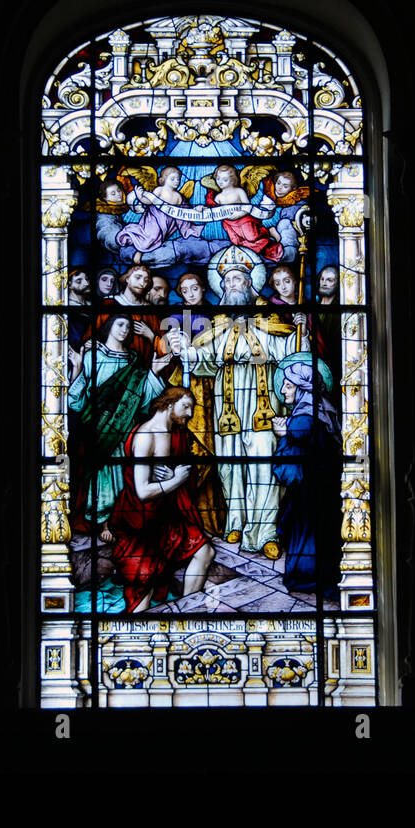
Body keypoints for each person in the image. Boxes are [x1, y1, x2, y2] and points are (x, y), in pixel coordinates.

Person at [170, 248, 307, 554]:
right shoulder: (217, 326)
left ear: (249, 285)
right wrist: (183, 349)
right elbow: (201, 358)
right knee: (230, 466)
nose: (233, 285)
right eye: (228, 280)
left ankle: (267, 534)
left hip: (264, 405)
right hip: (227, 404)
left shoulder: (270, 322)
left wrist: (301, 329)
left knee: (264, 468)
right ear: (222, 288)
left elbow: (291, 351)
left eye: (238, 280)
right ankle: (236, 523)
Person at [109, 387, 216, 612]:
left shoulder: (176, 432)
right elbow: (143, 492)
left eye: (192, 408)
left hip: (167, 516)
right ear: (169, 404)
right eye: (185, 406)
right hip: (140, 524)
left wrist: (174, 477)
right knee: (143, 592)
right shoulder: (146, 436)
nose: (189, 413)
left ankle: (187, 611)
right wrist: (176, 480)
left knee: (205, 551)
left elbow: (183, 472)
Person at [67, 316, 173, 540]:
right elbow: (78, 398)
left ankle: (120, 519)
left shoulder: (133, 359)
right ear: (109, 327)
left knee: (124, 472)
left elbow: (145, 401)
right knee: (104, 473)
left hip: (126, 425)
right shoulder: (93, 357)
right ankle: (104, 522)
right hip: (99, 427)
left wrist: (153, 373)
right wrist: (77, 367)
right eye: (120, 324)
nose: (124, 330)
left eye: (127, 326)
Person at [271, 362, 341, 596]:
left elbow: (293, 459)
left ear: (302, 389)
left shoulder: (302, 420)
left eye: (288, 386)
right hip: (321, 488)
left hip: (309, 491)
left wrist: (282, 435)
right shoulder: (321, 412)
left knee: (305, 532)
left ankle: (306, 579)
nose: (283, 390)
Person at [206, 164, 284, 262]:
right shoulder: (218, 197)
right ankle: (251, 254)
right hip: (229, 224)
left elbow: (248, 207)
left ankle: (269, 232)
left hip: (244, 220)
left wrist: (238, 215)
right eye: (218, 179)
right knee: (237, 242)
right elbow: (213, 210)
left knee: (252, 237)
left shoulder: (239, 191)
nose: (220, 182)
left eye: (225, 180)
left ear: (233, 180)